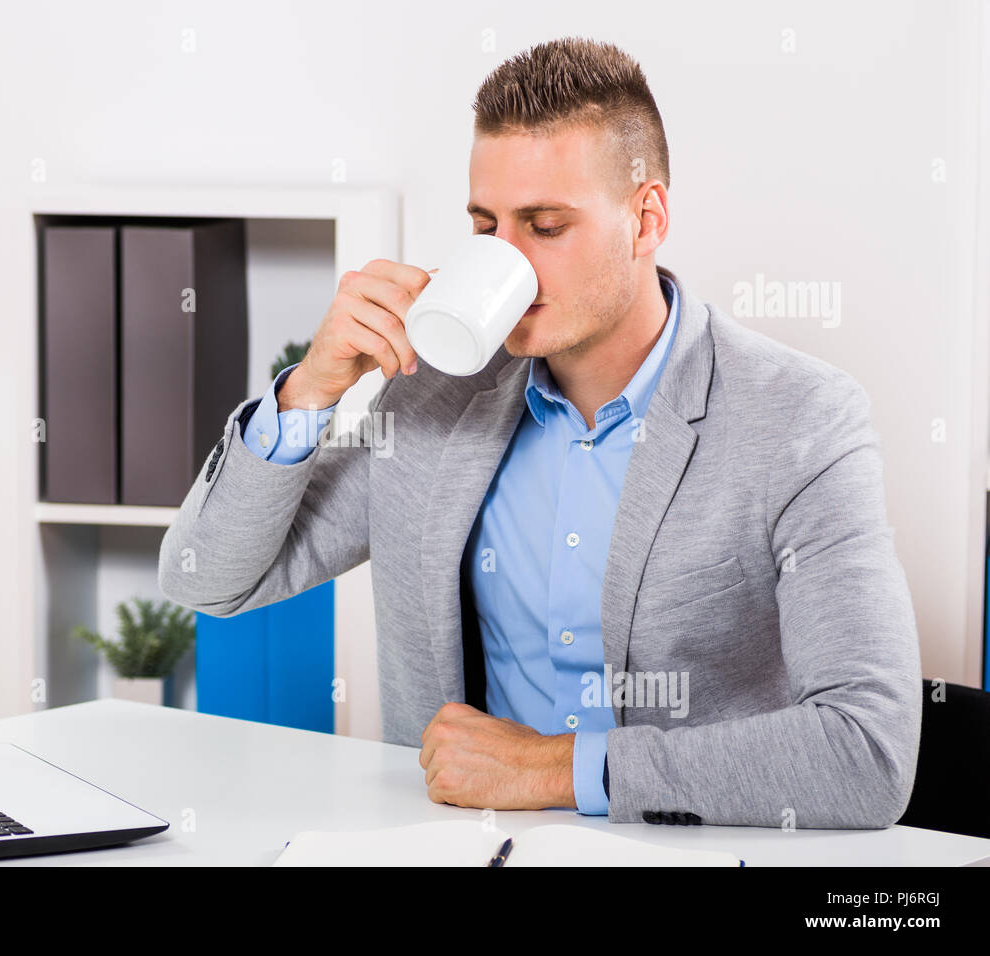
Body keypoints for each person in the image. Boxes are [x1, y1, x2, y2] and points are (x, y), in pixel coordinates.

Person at [158, 37, 921, 828]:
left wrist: (555, 769)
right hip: (459, 849)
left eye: (545, 226)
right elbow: (206, 580)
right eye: (486, 226)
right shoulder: (433, 398)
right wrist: (308, 391)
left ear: (645, 218)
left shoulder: (800, 417)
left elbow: (867, 753)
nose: (505, 261)